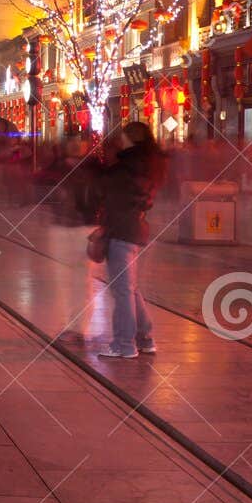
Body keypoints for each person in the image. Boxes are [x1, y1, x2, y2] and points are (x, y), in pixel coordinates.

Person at [93, 121, 167, 359]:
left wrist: (104, 228)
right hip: (136, 229)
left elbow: (115, 203)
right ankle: (144, 338)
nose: (119, 140)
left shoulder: (125, 169)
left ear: (131, 140)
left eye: (123, 136)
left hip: (122, 231)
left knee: (123, 290)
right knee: (130, 288)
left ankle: (124, 345)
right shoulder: (148, 165)